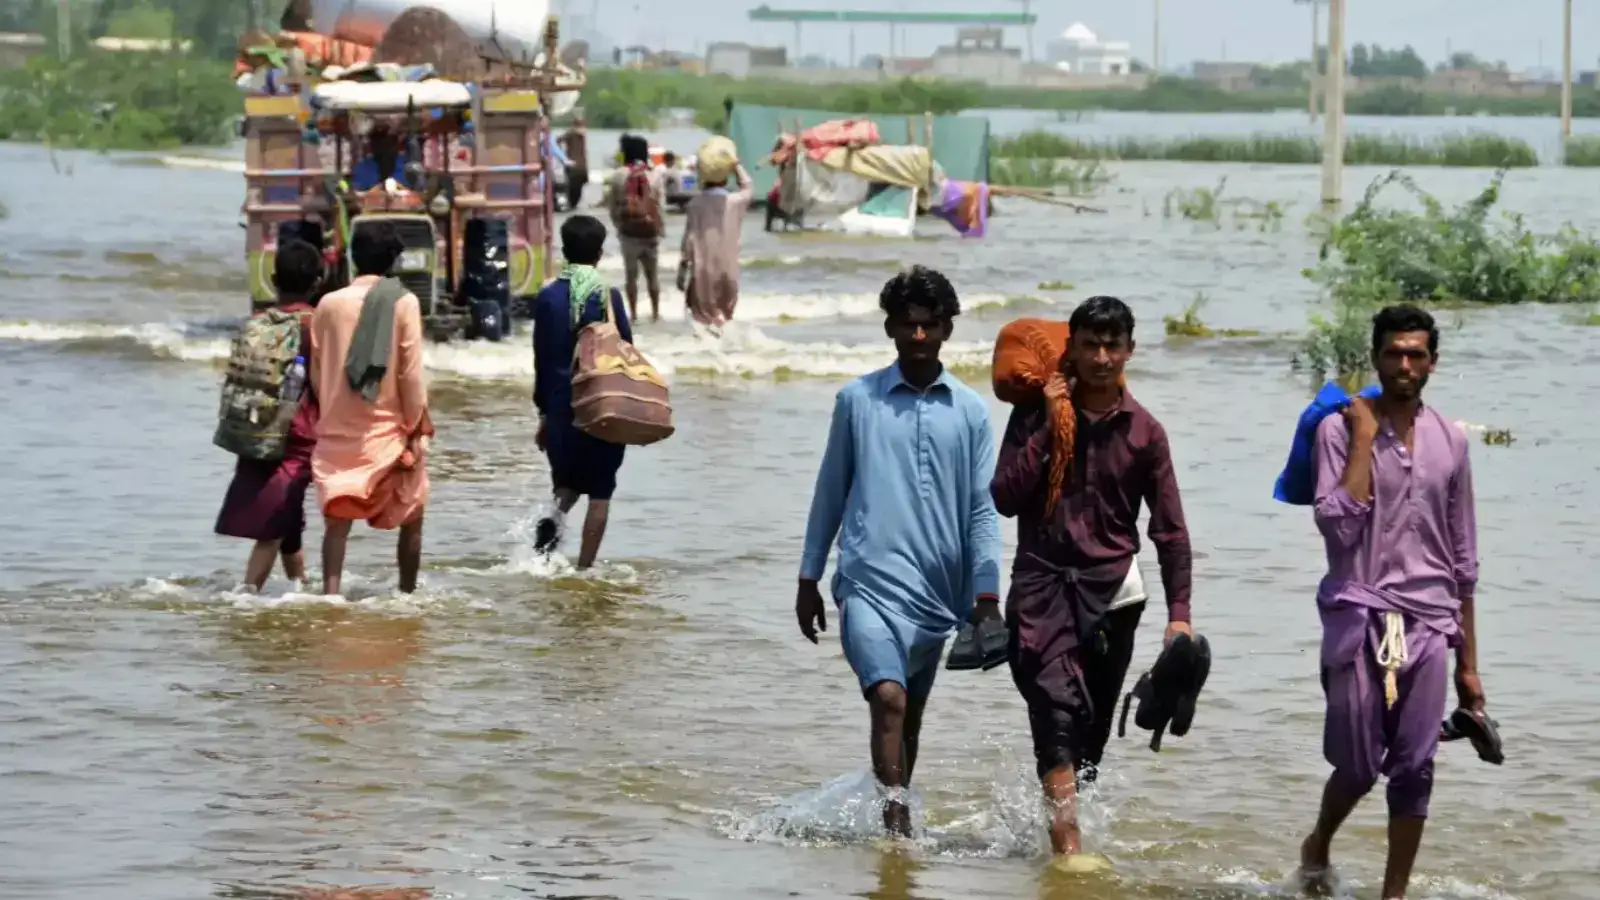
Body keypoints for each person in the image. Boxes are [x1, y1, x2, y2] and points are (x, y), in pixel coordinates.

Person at [796, 265, 1002, 837]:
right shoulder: (856, 401)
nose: (918, 337)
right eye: (908, 325)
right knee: (886, 697)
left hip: (938, 595)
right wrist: (809, 576)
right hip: (866, 583)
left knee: (908, 715)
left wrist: (986, 597)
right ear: (889, 327)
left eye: (929, 326)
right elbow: (829, 490)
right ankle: (897, 825)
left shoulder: (970, 411)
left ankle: (894, 827)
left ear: (946, 331)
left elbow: (981, 510)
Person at [989, 296, 1194, 859]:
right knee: (1055, 711)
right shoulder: (1035, 414)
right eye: (1090, 345)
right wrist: (1048, 431)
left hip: (1113, 599)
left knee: (1091, 735)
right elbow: (1005, 497)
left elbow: (1171, 531)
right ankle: (1067, 838)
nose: (1101, 357)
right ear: (1071, 351)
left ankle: (1061, 826)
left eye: (1112, 346)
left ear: (1130, 350)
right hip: (1041, 590)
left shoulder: (1145, 432)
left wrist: (1180, 617)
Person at [1298, 304, 1486, 900]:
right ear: (1375, 357)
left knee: (1414, 768)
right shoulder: (1338, 430)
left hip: (1432, 619)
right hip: (1358, 612)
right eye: (1393, 353)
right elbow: (1336, 527)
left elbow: (1463, 560)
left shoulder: (1451, 441)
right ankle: (1319, 843)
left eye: (1416, 354)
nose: (1405, 364)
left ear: (1433, 361)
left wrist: (1471, 668)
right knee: (1357, 765)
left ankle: (1393, 895)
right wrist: (1361, 440)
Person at [309, 221, 432, 596]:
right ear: (395, 260)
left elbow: (318, 370)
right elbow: (410, 371)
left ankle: (330, 596)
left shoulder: (328, 304)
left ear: (352, 258)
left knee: (336, 522)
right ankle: (407, 595)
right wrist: (416, 426)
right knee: (413, 515)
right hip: (387, 431)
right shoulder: (403, 302)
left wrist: (332, 410)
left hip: (336, 430)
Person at [214, 240, 324, 591]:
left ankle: (300, 587)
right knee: (277, 519)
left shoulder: (256, 323)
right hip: (297, 432)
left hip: (256, 426)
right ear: (318, 282)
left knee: (287, 515)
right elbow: (322, 383)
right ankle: (247, 594)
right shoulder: (315, 324)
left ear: (274, 281)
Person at [530, 215, 634, 570]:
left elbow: (541, 361)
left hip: (561, 409)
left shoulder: (546, 298)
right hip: (599, 405)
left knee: (566, 485)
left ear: (564, 250)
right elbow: (626, 350)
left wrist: (543, 415)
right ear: (600, 254)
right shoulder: (608, 296)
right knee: (600, 491)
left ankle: (540, 558)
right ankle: (585, 569)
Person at [679, 159, 752, 330]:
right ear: (726, 179)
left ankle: (706, 353)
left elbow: (688, 241)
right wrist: (736, 165)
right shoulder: (735, 202)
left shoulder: (694, 205)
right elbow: (748, 186)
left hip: (702, 271)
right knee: (725, 318)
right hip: (729, 271)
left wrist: (683, 267)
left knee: (702, 320)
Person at [606, 134, 664, 323]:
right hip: (650, 233)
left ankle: (633, 315)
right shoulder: (654, 175)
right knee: (652, 275)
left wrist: (620, 226)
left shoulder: (617, 175)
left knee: (631, 276)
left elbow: (613, 206)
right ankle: (656, 314)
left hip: (628, 233)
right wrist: (659, 228)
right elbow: (659, 205)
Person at [350, 122, 412, 192]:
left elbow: (421, 192)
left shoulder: (408, 166)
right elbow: (357, 194)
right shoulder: (362, 167)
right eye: (378, 142)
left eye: (387, 142)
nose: (383, 147)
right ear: (372, 145)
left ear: (396, 144)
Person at [558, 115, 589, 211]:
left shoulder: (570, 133)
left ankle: (571, 204)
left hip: (572, 164)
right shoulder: (584, 134)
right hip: (582, 165)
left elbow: (557, 140)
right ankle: (574, 204)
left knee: (571, 186)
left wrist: (561, 154)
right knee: (579, 186)